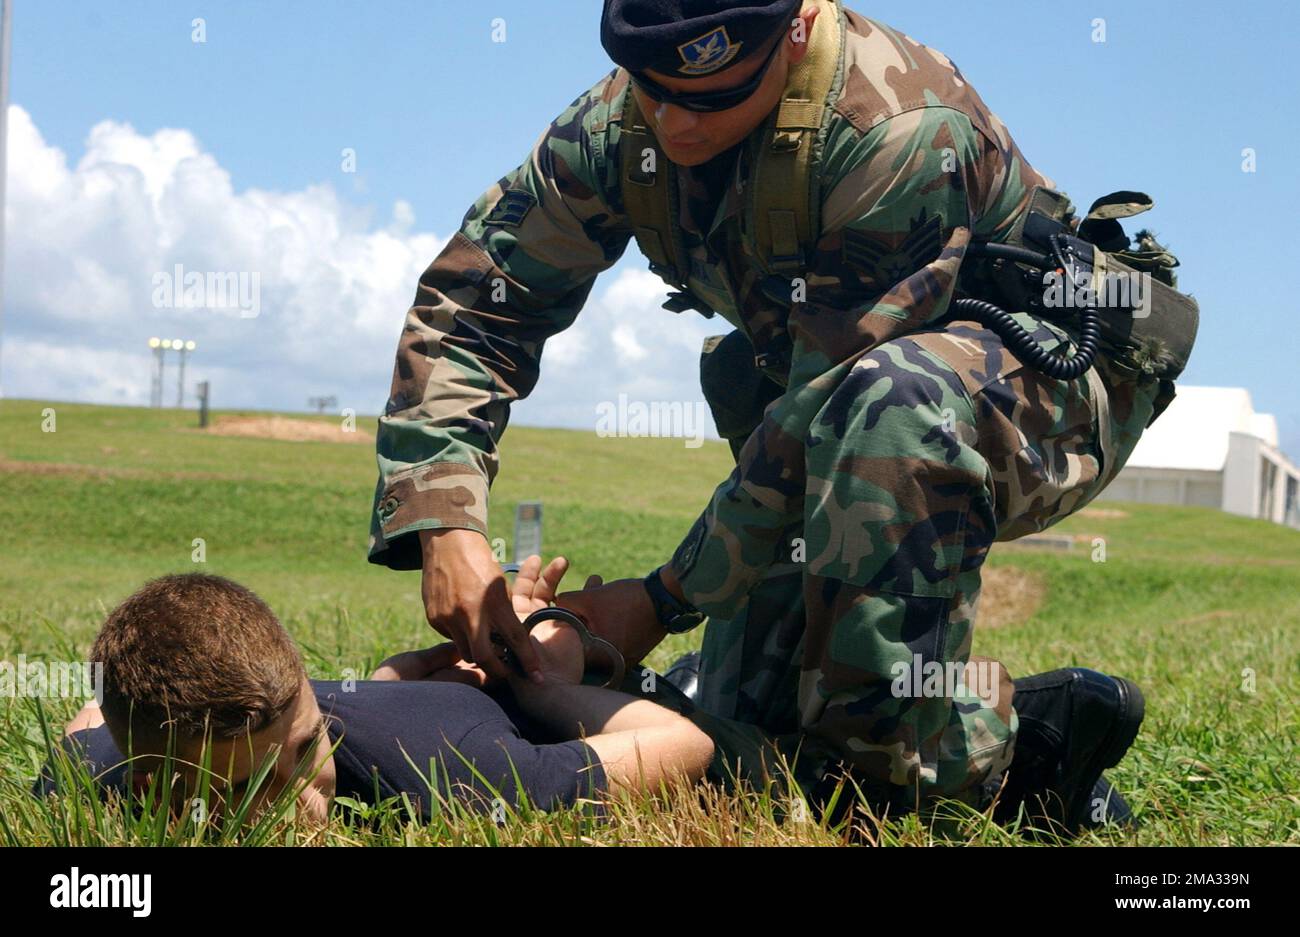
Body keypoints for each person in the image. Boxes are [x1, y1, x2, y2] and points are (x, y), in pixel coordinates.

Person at [368, 0, 1174, 830]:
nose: (675, 124)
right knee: (744, 728)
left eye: (714, 95)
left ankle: (1014, 744)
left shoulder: (897, 129)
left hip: (1052, 383)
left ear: (798, 27)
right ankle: (805, 712)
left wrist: (659, 598)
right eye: (654, 87)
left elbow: (823, 408)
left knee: (857, 787)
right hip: (837, 411)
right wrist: (444, 520)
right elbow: (476, 305)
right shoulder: (621, 125)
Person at [34, 569, 715, 823]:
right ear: (153, 786)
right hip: (391, 699)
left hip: (492, 701)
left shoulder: (448, 776)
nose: (297, 806)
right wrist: (388, 685)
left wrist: (546, 692)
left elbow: (687, 744)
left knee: (691, 696)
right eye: (245, 791)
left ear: (301, 681)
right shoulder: (100, 774)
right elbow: (94, 714)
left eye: (303, 751)